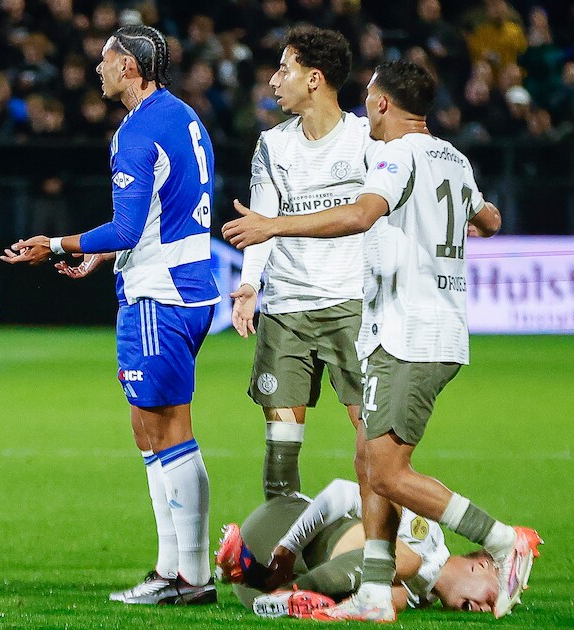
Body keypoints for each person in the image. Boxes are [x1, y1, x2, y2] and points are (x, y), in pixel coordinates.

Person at [221, 59, 540, 622]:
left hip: (408, 332)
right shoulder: (452, 156)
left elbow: (362, 215)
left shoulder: (395, 154)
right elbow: (488, 219)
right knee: (369, 461)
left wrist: (273, 226)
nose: (363, 104)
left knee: (388, 472)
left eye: (368, 96)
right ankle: (372, 590)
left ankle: (500, 539)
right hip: (433, 329)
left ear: (383, 104)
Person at [2, 25, 220, 606]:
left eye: (103, 60)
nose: (96, 70)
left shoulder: (137, 131)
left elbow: (128, 227)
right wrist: (102, 254)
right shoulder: (183, 116)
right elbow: (155, 214)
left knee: (168, 428)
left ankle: (190, 577)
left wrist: (57, 243)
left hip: (158, 295)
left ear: (128, 65)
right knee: (151, 428)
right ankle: (173, 568)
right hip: (188, 286)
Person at [232, 26, 371, 508]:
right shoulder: (273, 146)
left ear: (314, 78)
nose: (273, 81)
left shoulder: (366, 140)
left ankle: (381, 557)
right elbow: (259, 224)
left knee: (374, 443)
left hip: (353, 306)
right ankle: (282, 569)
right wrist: (249, 284)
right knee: (280, 454)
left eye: (283, 69)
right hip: (286, 310)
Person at [214, 478, 504, 618]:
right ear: (480, 566)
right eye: (492, 598)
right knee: (403, 559)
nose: (486, 610)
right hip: (277, 528)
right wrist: (287, 547)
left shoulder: (417, 596)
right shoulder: (427, 537)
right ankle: (285, 594)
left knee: (393, 597)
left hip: (252, 591)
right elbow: (341, 492)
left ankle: (252, 574)